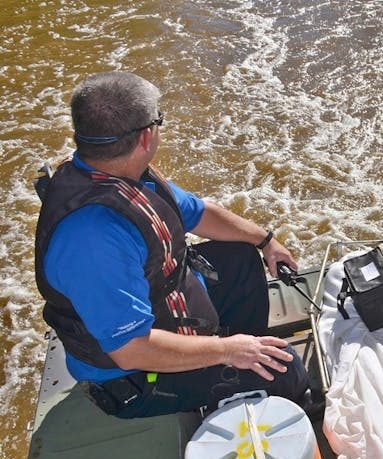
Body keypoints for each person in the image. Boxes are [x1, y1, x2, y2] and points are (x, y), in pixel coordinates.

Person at [34, 71, 310, 418]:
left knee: (240, 256)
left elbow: (199, 213)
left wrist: (265, 240)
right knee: (287, 371)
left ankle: (244, 369)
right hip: (134, 374)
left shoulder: (123, 175)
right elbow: (131, 349)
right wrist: (226, 351)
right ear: (148, 135)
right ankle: (249, 382)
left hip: (167, 306)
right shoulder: (92, 238)